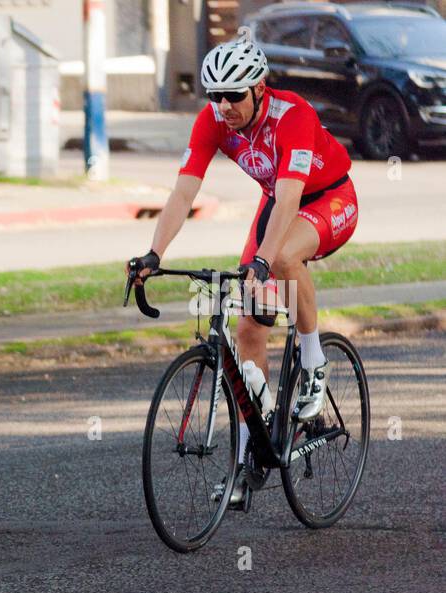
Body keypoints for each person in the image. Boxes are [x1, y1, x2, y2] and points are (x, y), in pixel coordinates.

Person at [128, 34, 358, 507]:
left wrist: (262, 259)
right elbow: (183, 193)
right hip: (278, 204)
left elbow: (292, 195)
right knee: (250, 323)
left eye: (234, 94)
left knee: (280, 258)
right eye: (214, 95)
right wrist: (154, 254)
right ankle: (252, 453)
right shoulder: (213, 120)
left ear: (259, 87)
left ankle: (314, 363)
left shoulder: (291, 115)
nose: (224, 105)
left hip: (329, 198)